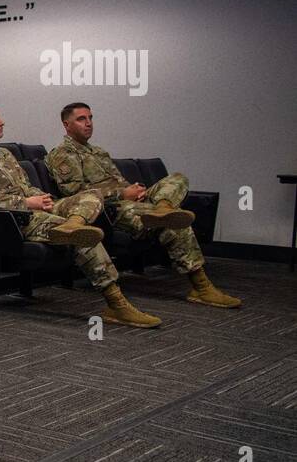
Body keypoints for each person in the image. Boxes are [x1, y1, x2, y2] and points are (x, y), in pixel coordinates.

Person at [0, 100, 161, 328]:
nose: (1, 121)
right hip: (13, 220)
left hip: (35, 210)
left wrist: (41, 198)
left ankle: (70, 225)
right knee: (84, 237)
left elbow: (26, 185)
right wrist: (26, 202)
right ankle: (116, 302)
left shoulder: (4, 154)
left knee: (93, 196)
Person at [44, 102, 240, 309]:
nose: (89, 123)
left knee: (177, 179)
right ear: (67, 124)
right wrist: (122, 193)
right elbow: (75, 194)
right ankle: (201, 286)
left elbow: (119, 181)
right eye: (81, 119)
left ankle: (163, 207)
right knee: (175, 223)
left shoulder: (98, 152)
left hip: (130, 201)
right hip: (112, 209)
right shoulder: (62, 154)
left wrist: (135, 191)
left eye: (91, 118)